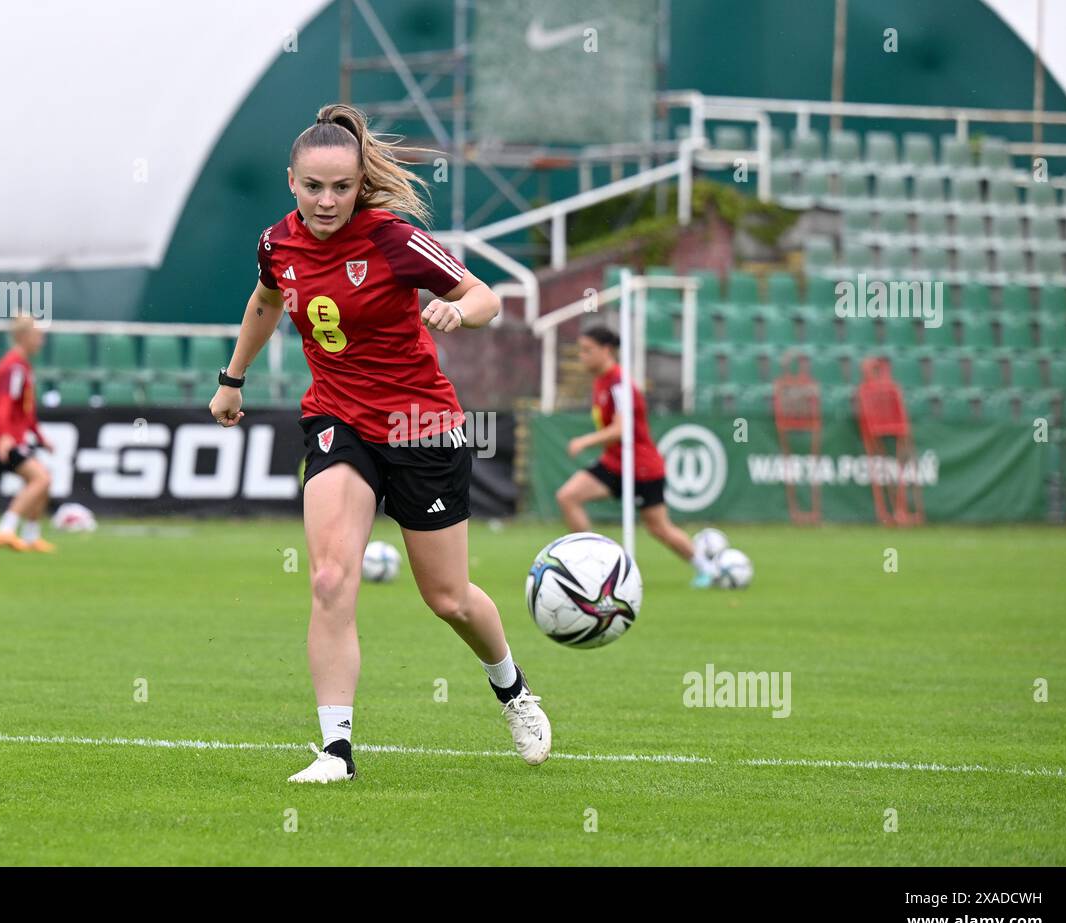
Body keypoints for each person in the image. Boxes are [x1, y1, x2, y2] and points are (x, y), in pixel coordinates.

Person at [209, 103, 551, 783]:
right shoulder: (277, 244)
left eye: (341, 186)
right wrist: (232, 378)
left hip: (420, 426)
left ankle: (512, 689)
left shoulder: (393, 239)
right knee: (331, 578)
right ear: (291, 181)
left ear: (361, 182)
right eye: (314, 186)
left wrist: (458, 309)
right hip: (338, 419)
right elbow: (266, 301)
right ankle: (336, 750)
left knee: (448, 598)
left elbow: (485, 294)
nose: (328, 200)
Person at [555, 327, 718, 587]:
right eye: (580, 351)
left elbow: (622, 429)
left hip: (641, 467)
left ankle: (708, 568)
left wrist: (585, 441)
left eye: (588, 350)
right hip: (614, 463)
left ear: (606, 350)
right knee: (568, 496)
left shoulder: (620, 383)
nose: (582, 357)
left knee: (658, 527)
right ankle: (595, 564)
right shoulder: (600, 381)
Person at [0, 313, 56, 554]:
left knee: (42, 480)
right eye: (38, 335)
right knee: (40, 479)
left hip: (15, 435)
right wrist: (4, 436)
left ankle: (31, 535)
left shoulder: (22, 366)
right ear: (24, 336)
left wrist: (41, 438)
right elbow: (2, 405)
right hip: (5, 438)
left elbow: (26, 411)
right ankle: (5, 528)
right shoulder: (12, 367)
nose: (41, 340)